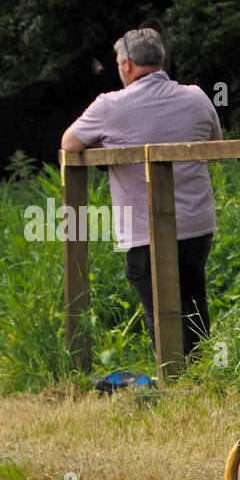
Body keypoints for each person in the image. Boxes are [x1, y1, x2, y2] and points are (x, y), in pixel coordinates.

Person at [61, 27, 221, 357]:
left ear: (128, 65)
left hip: (143, 227)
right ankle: (200, 367)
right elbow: (215, 140)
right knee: (193, 296)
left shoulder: (109, 106)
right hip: (196, 220)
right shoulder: (196, 96)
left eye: (119, 62)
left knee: (158, 304)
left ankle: (174, 371)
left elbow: (69, 143)